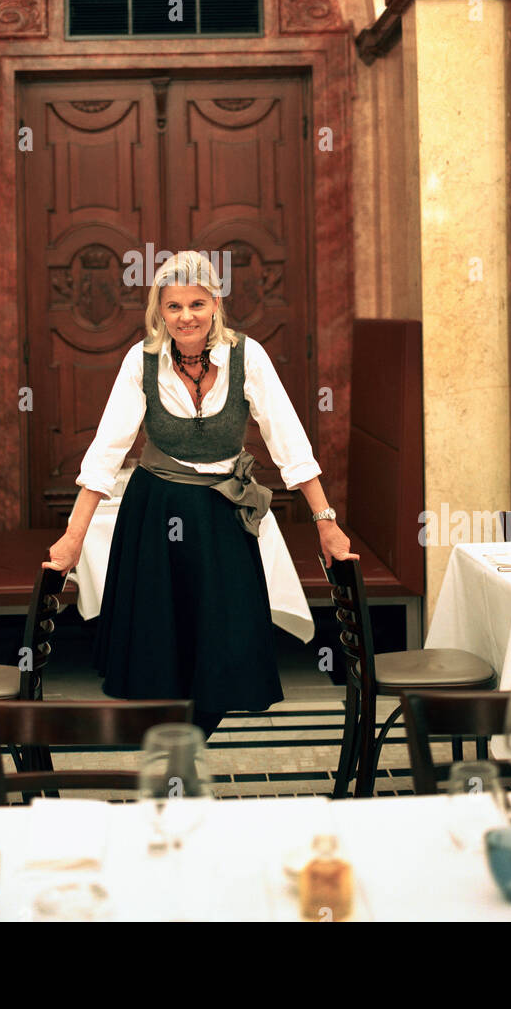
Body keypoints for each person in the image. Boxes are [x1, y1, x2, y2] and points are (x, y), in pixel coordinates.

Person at [43, 249, 355, 739]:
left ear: (215, 304)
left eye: (197, 303)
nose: (186, 316)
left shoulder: (248, 357)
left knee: (223, 638)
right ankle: (172, 753)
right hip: (156, 508)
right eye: (173, 306)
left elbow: (289, 441)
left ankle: (192, 741)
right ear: (159, 312)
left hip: (221, 514)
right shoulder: (141, 360)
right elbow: (106, 452)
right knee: (159, 641)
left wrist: (326, 522)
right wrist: (73, 538)